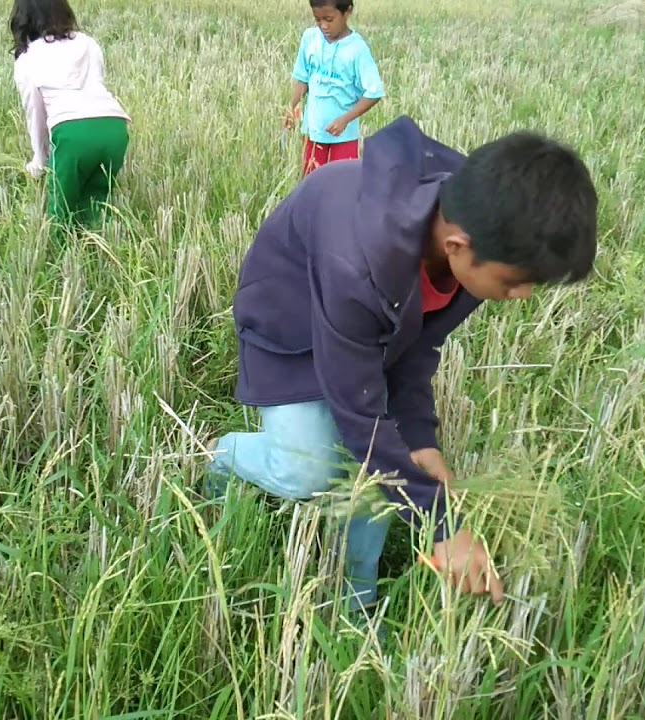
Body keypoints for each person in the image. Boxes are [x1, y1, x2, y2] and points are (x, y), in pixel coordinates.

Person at [205, 115, 598, 614]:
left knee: (386, 469)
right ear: (458, 247)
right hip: (290, 331)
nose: (520, 296)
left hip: (368, 331)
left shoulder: (478, 233)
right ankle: (221, 456)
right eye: (515, 282)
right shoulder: (361, 259)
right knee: (312, 469)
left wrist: (419, 437)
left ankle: (357, 604)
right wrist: (443, 526)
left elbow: (419, 345)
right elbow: (358, 412)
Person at [11, 0, 131, 230]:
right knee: (96, 208)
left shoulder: (27, 59)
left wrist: (40, 158)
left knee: (61, 213)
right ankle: (97, 255)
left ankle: (60, 261)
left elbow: (35, 113)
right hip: (114, 127)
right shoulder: (88, 43)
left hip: (72, 133)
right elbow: (97, 84)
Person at [282, 0, 385, 177]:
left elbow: (374, 93)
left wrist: (345, 120)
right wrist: (291, 108)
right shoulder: (310, 39)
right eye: (317, 19)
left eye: (329, 19)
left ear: (347, 12)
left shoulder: (357, 49)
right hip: (313, 133)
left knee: (343, 185)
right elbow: (302, 79)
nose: (323, 25)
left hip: (344, 136)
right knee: (312, 183)